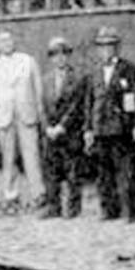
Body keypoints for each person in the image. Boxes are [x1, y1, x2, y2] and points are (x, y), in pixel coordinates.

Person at [82, 26, 135, 222]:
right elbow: (89, 102)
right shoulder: (94, 72)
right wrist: (88, 129)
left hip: (121, 127)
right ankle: (109, 210)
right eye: (102, 47)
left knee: (125, 171)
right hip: (100, 128)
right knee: (103, 174)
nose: (106, 50)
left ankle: (130, 212)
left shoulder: (129, 69)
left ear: (117, 48)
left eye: (110, 46)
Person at [0, 29, 46, 207]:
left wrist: (41, 115)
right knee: (8, 158)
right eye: (2, 41)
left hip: (26, 115)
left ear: (15, 41)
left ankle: (38, 193)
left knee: (31, 156)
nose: (6, 44)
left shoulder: (28, 61)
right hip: (3, 117)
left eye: (9, 40)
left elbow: (38, 90)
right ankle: (11, 194)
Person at [41, 36, 88, 219]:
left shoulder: (77, 79)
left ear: (68, 56)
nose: (59, 58)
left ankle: (73, 209)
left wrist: (62, 126)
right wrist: (47, 127)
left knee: (73, 172)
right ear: (51, 58)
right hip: (51, 133)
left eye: (63, 54)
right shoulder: (46, 80)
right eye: (54, 55)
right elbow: (42, 106)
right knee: (52, 172)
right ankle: (54, 208)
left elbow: (76, 106)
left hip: (70, 133)